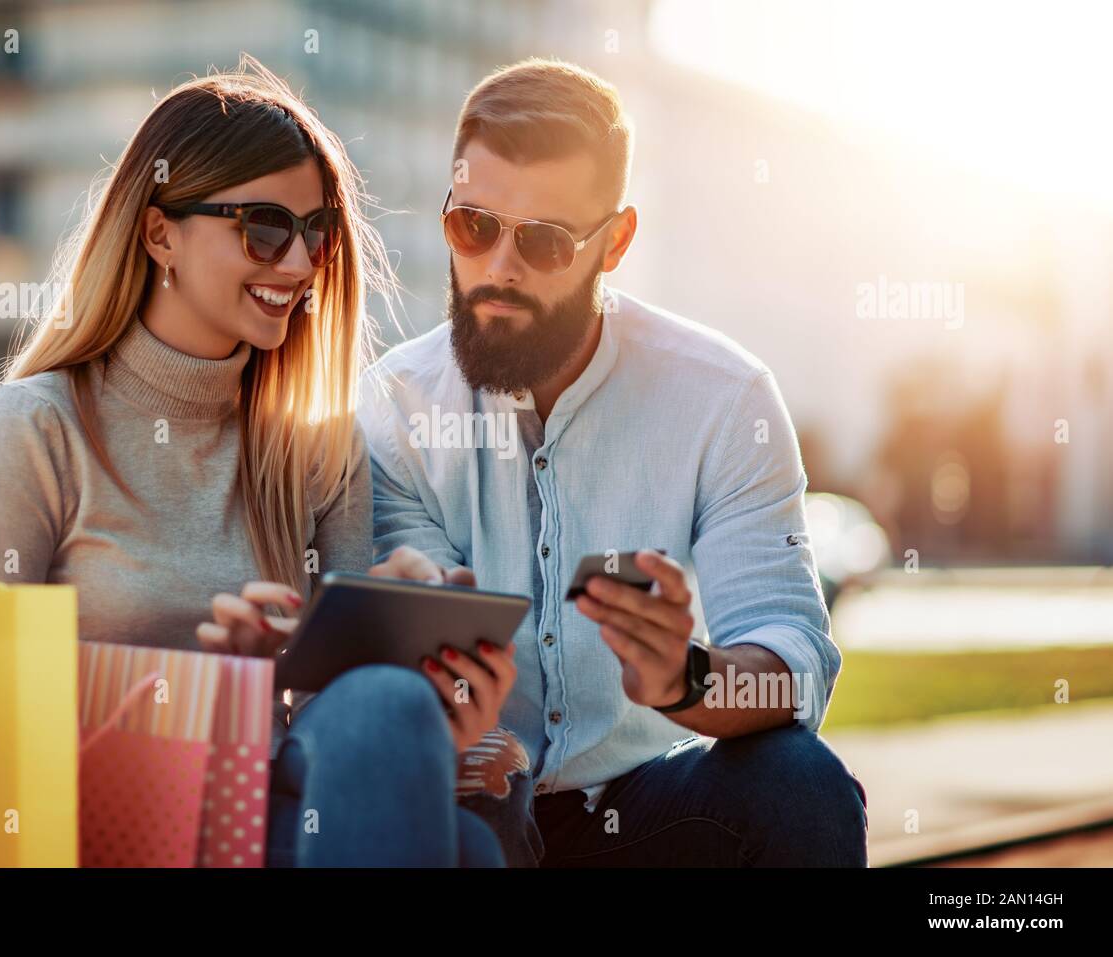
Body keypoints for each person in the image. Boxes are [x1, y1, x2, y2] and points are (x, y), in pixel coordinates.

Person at [0, 59, 514, 867]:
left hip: (260, 810)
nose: (300, 264)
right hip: (92, 822)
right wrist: (205, 689)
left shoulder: (319, 448)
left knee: (420, 760)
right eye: (265, 227)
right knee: (466, 850)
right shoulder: (36, 426)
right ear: (158, 231)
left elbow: (334, 719)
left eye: (316, 233)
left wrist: (424, 687)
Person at [358, 58, 869, 866]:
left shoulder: (725, 398)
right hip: (471, 804)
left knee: (798, 784)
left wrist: (685, 680)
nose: (499, 269)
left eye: (546, 241)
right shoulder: (393, 405)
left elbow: (794, 661)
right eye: (474, 227)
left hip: (646, 808)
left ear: (617, 241)